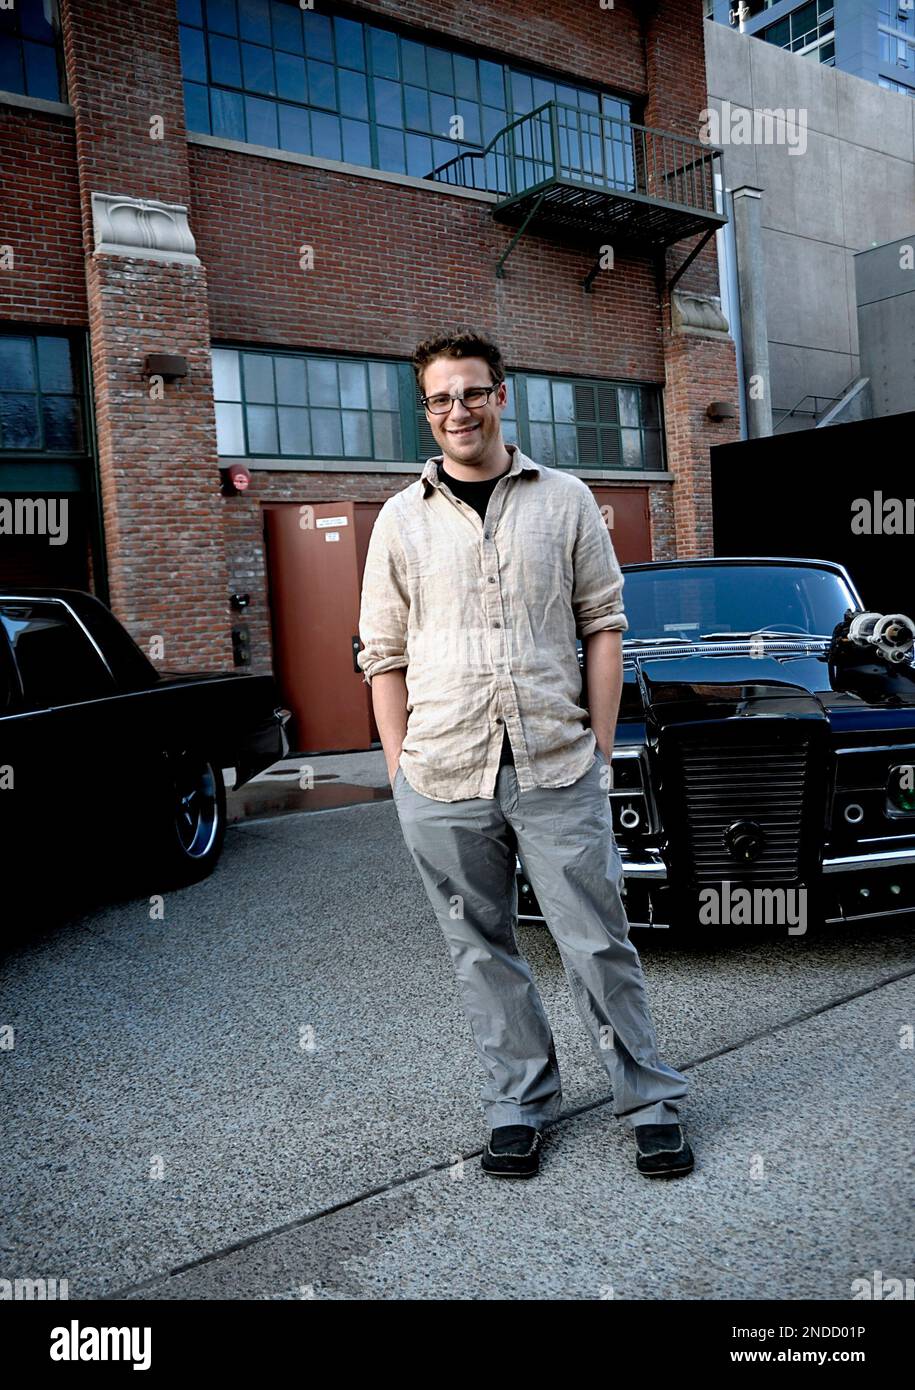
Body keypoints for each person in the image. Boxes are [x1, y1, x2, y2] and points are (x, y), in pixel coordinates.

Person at [357, 328, 692, 1180]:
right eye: (439, 398)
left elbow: (603, 625)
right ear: (426, 411)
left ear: (501, 396)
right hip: (440, 774)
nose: (457, 410)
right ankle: (518, 1103)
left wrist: (602, 746)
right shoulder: (399, 520)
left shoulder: (567, 499)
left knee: (597, 941)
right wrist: (399, 772)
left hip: (555, 764)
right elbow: (382, 654)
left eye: (471, 392)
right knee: (481, 948)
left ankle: (648, 1100)